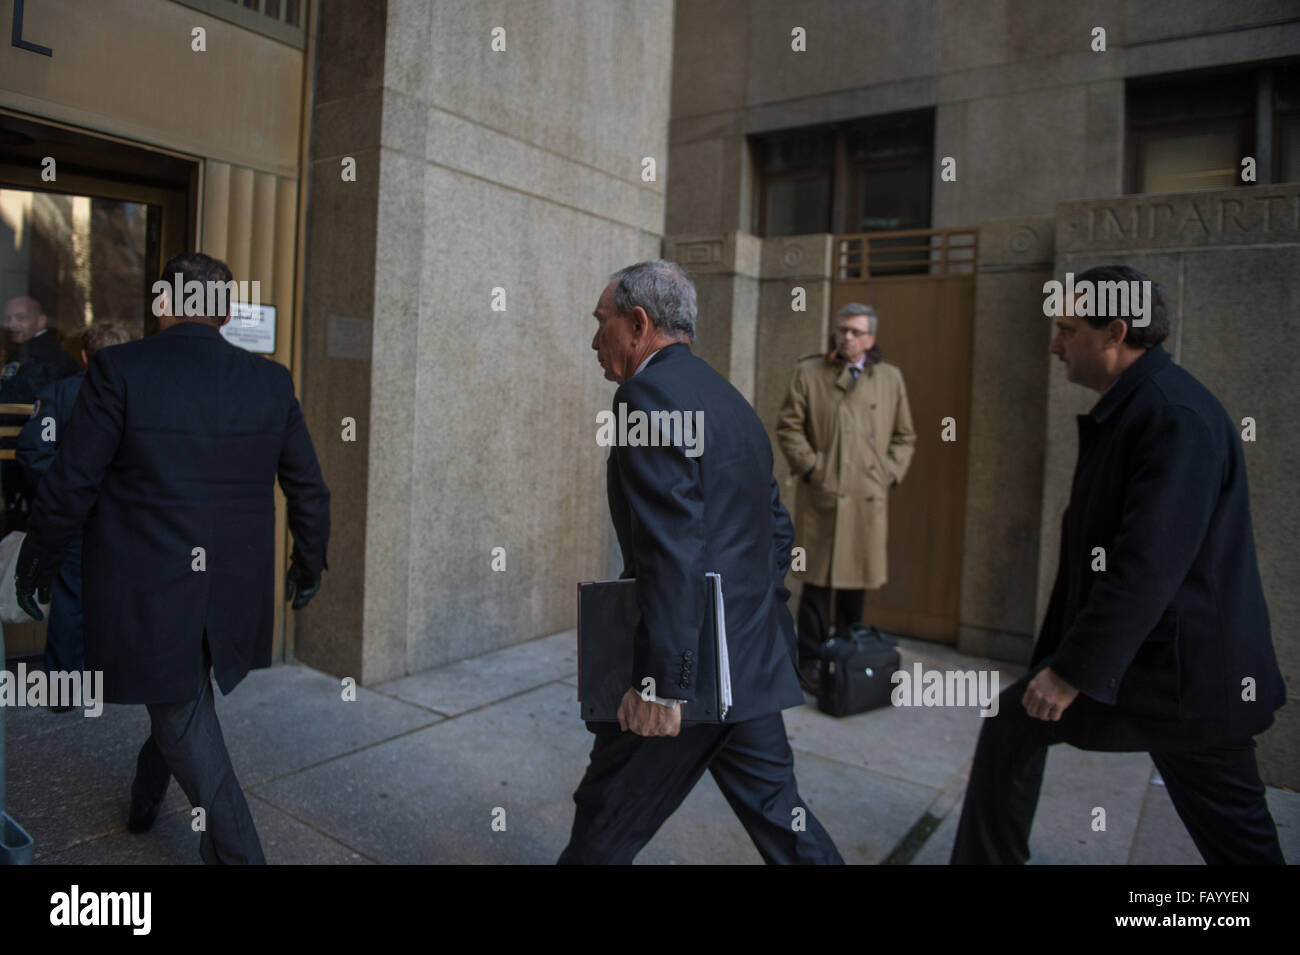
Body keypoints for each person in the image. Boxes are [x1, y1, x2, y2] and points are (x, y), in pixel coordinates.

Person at [950, 264, 1286, 865]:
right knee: (1012, 725)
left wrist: (1071, 671)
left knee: (1238, 840)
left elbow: (1146, 567)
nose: (1055, 345)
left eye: (1067, 329)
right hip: (1147, 662)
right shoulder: (1140, 408)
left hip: (1187, 679)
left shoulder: (1174, 416)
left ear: (1115, 333)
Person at [15, 253, 331, 865]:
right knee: (182, 697)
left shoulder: (119, 369)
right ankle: (143, 799)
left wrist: (38, 563)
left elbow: (73, 480)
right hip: (231, 589)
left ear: (166, 303)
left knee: (182, 711)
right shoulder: (269, 380)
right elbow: (308, 487)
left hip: (151, 587)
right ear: (226, 311)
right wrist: (308, 562)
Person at [560, 259, 843, 865]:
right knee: (783, 823)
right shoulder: (730, 399)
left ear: (637, 323)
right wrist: (752, 625)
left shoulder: (643, 398)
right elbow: (773, 531)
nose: (593, 339)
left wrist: (664, 682)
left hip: (686, 680)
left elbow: (672, 549)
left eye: (600, 321)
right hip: (750, 660)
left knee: (603, 824)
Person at [775, 303, 915, 690]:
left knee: (857, 585)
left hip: (868, 498)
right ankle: (811, 662)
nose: (846, 337)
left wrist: (888, 473)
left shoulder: (889, 379)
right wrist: (813, 468)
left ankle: (851, 658)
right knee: (817, 584)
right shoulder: (810, 373)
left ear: (870, 338)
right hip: (825, 495)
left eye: (855, 332)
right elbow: (788, 426)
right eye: (842, 330)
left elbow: (905, 436)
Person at [15, 321, 132, 699]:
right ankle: (115, 681)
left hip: (76, 515)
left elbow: (34, 455)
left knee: (70, 597)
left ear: (84, 356)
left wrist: (65, 496)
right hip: (125, 518)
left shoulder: (59, 394)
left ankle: (64, 690)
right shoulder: (139, 397)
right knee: (125, 595)